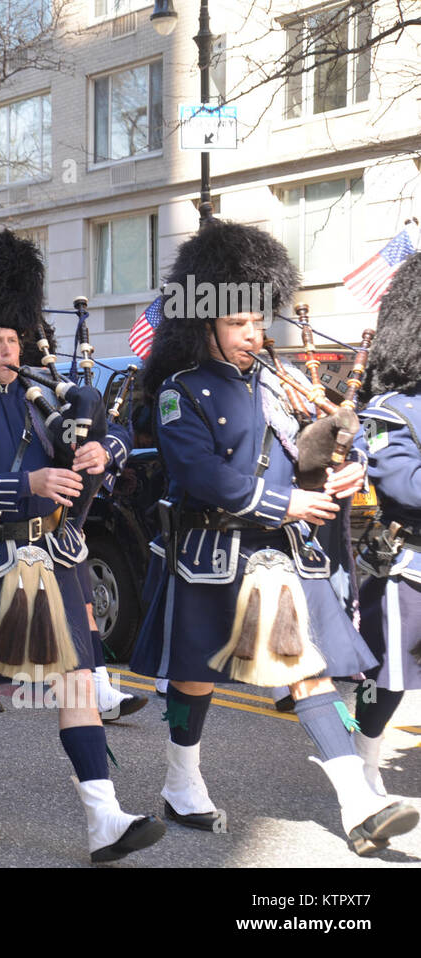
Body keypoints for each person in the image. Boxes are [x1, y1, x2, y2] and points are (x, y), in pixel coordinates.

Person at [130, 220, 416, 855]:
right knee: (195, 679)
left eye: (258, 322)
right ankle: (182, 780)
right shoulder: (181, 392)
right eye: (238, 324)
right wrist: (289, 501)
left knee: (306, 673)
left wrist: (341, 464)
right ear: (203, 326)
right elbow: (201, 475)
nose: (255, 334)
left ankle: (357, 803)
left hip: (278, 557)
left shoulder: (278, 383)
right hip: (211, 556)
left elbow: (317, 448)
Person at [0, 231, 164, 862]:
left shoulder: (46, 397)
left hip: (55, 560)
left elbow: (117, 439)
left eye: (14, 337)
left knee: (79, 684)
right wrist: (21, 483)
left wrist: (101, 452)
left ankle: (104, 819)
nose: (9, 349)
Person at [353, 249, 421, 796]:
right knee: (386, 678)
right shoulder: (392, 409)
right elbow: (402, 485)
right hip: (409, 562)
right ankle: (364, 759)